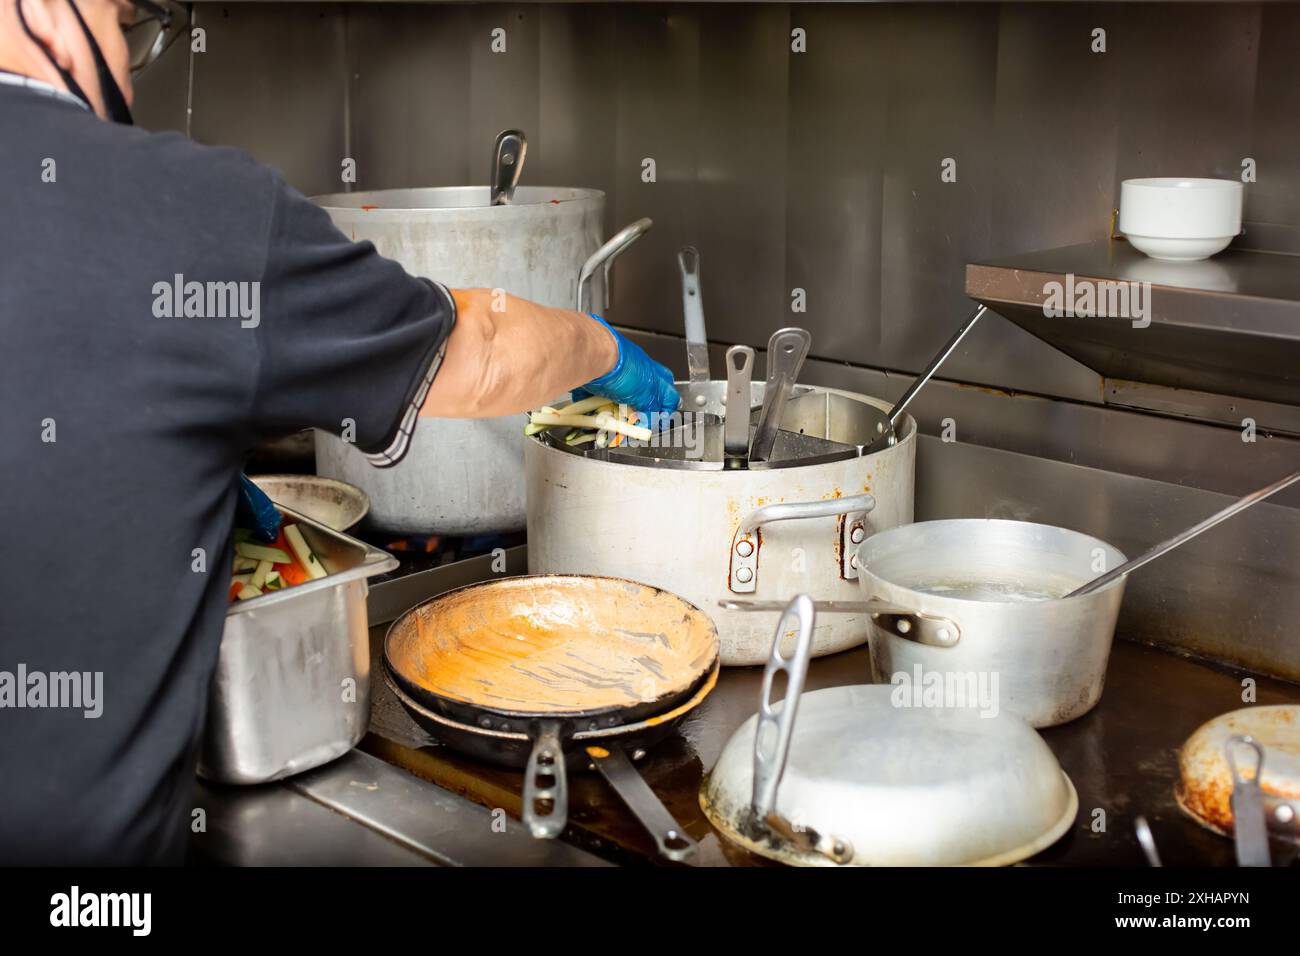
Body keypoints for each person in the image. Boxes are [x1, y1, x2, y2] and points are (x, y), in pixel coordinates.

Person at [0, 0, 680, 864]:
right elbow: (483, 351)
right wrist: (599, 344)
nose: (132, 64)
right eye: (127, 23)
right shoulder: (186, 212)